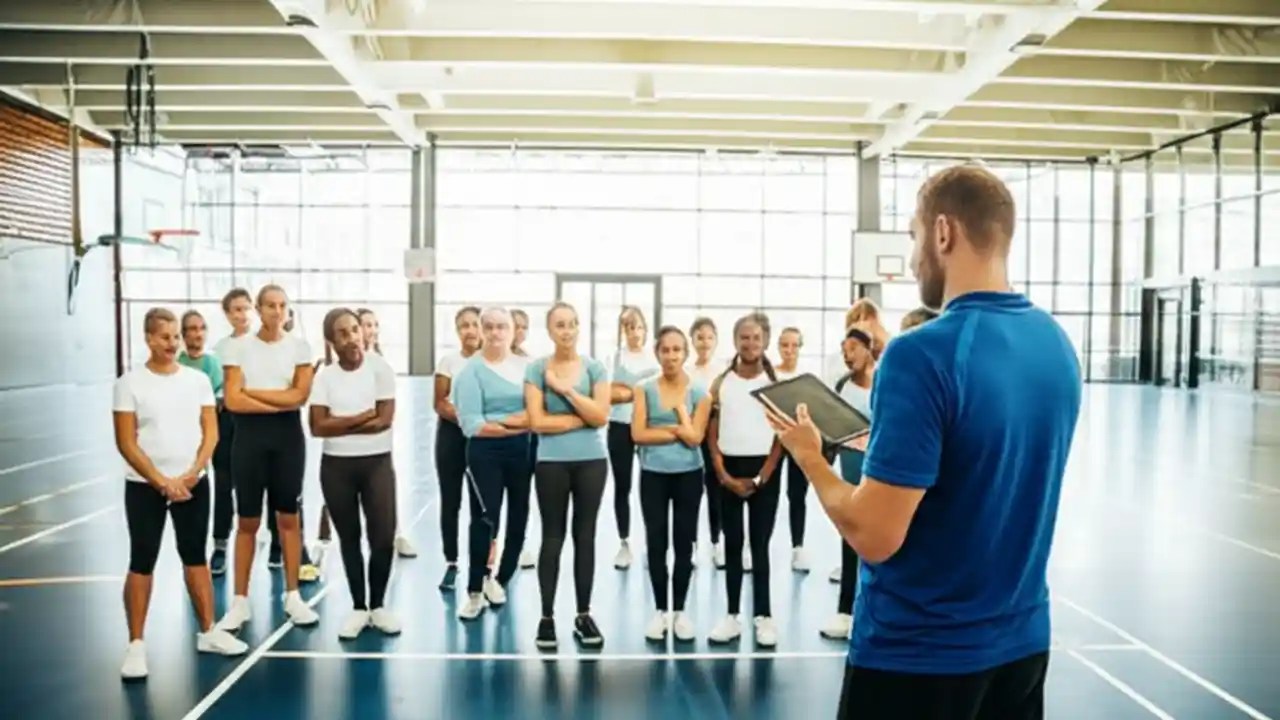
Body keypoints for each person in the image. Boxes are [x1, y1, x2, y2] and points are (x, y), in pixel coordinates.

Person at [767, 164, 1082, 719]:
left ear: (942, 232)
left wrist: (811, 457)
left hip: (917, 660)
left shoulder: (920, 354)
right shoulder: (1056, 345)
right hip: (1022, 650)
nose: (912, 258)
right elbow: (982, 466)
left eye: (913, 236)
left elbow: (874, 533)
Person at [115, 308, 248, 679]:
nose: (173, 343)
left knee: (195, 556)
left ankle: (208, 631)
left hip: (192, 484)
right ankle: (136, 646)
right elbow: (126, 441)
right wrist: (161, 481)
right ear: (148, 339)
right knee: (142, 559)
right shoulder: (129, 384)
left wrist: (193, 473)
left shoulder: (198, 381)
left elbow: (211, 434)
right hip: (145, 487)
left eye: (176, 336)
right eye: (165, 337)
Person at [216, 284, 320, 631]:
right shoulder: (237, 348)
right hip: (248, 439)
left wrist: (253, 393)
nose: (277, 311)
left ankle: (292, 596)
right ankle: (240, 601)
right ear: (258, 310)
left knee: (288, 518)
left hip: (287, 438)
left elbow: (300, 397)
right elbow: (232, 400)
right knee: (247, 522)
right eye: (270, 306)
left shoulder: (299, 347)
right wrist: (279, 398)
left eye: (282, 305)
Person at [309, 308, 402, 640]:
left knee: (382, 537)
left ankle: (378, 605)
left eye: (355, 330)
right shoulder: (324, 376)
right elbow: (317, 427)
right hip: (336, 467)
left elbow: (384, 420)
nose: (352, 338)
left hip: (376, 464)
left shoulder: (381, 369)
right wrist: (363, 416)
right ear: (332, 341)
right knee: (349, 539)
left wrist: (342, 423)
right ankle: (359, 607)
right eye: (343, 333)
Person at [524, 301, 611, 650]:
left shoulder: (595, 368)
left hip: (592, 462)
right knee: (553, 538)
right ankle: (547, 617)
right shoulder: (535, 368)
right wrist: (582, 417)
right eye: (560, 324)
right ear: (550, 330)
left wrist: (563, 391)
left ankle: (583, 614)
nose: (567, 330)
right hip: (551, 464)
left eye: (572, 324)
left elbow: (602, 416)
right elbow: (536, 422)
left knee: (585, 538)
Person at [706, 311, 783, 648]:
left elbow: (782, 432)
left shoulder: (774, 384)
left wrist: (765, 474)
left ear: (764, 342)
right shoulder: (722, 383)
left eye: (756, 338)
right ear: (735, 341)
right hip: (730, 471)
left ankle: (763, 616)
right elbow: (711, 430)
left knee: (760, 545)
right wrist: (722, 474)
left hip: (764, 472)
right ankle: (732, 615)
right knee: (734, 544)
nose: (750, 343)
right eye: (744, 337)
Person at [631, 326, 712, 643]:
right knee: (656, 542)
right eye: (665, 350)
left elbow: (696, 439)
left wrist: (675, 424)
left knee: (683, 544)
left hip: (689, 475)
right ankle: (660, 611)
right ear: (657, 353)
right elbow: (638, 434)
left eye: (677, 350)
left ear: (685, 353)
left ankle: (678, 610)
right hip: (653, 474)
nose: (671, 356)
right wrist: (679, 428)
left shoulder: (701, 392)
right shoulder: (643, 389)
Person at [452, 308, 532, 620]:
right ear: (482, 331)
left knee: (520, 516)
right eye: (490, 327)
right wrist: (516, 424)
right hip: (484, 453)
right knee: (486, 519)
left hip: (522, 452)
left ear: (513, 331)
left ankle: (500, 579)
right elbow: (472, 424)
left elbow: (535, 414)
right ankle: (474, 589)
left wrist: (506, 423)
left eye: (502, 327)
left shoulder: (527, 368)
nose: (496, 333)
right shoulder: (470, 372)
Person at [818, 323, 877, 643]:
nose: (847, 354)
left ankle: (875, 614)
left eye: (852, 348)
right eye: (843, 350)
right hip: (850, 478)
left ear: (868, 349)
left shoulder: (885, 383)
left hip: (882, 480)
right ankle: (846, 611)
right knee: (850, 542)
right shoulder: (841, 386)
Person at [356, 307, 417, 560]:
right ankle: (323, 541)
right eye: (365, 325)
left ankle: (396, 532)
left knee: (383, 488)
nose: (370, 330)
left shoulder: (381, 362)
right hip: (347, 438)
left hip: (378, 437)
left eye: (374, 325)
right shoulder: (343, 363)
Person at [606, 306, 660, 570]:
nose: (634, 332)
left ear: (645, 329)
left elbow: (656, 395)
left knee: (651, 488)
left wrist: (627, 392)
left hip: (648, 427)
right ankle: (624, 542)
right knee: (622, 486)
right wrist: (633, 393)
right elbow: (607, 394)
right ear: (623, 331)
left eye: (638, 326)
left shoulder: (655, 359)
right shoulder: (614, 358)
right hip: (619, 427)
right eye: (628, 327)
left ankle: (653, 543)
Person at [433, 306, 483, 590]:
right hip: (452, 436)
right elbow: (440, 402)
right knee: (450, 501)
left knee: (481, 505)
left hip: (481, 439)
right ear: (457, 331)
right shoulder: (449, 361)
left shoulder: (488, 363)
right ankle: (451, 562)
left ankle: (483, 566)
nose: (470, 330)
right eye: (463, 325)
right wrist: (465, 419)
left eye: (474, 324)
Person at [209, 288, 252, 572]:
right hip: (228, 419)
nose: (242, 314)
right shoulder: (220, 349)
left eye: (246, 308)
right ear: (227, 314)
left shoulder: (264, 344)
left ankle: (278, 545)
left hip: (256, 419)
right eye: (236, 309)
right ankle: (220, 545)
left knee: (264, 484)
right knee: (224, 484)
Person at [687, 316, 725, 568]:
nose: (704, 342)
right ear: (692, 340)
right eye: (700, 337)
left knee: (715, 492)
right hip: (691, 436)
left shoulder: (723, 370)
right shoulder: (686, 371)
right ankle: (690, 546)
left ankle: (716, 543)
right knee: (691, 493)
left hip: (716, 437)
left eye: (709, 337)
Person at [774, 326, 811, 574]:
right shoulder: (770, 375)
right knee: (767, 494)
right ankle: (752, 546)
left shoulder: (806, 377)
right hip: (772, 443)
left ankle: (798, 548)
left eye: (794, 345)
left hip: (798, 442)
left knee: (797, 496)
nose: (789, 350)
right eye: (785, 345)